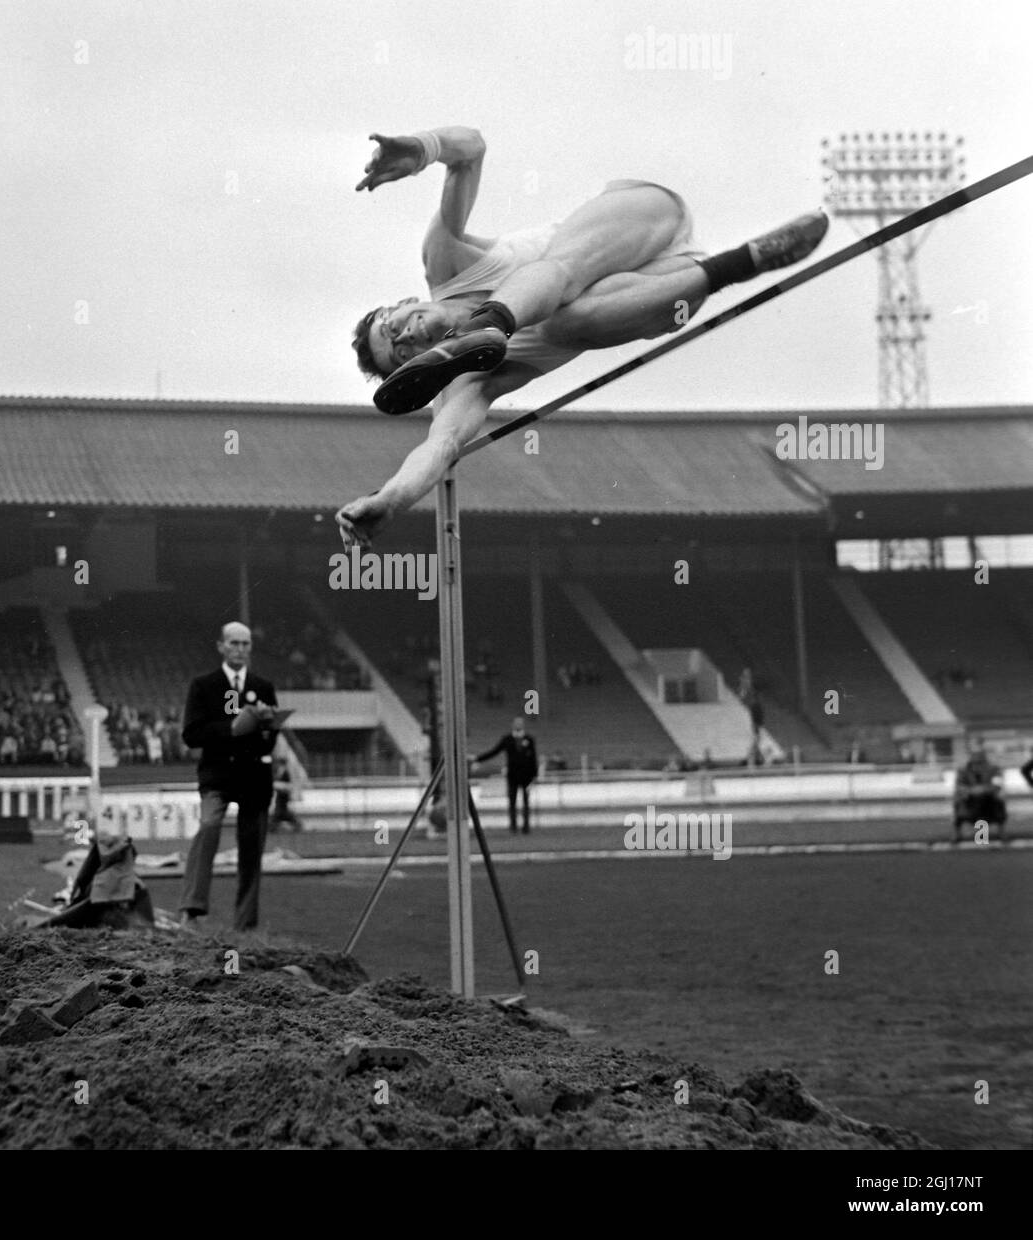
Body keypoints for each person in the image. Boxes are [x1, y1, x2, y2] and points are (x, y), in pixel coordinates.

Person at [336, 125, 829, 548]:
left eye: (391, 324)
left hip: (637, 218)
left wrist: (420, 149)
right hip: (664, 287)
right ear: (416, 367)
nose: (404, 336)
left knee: (560, 276)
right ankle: (747, 260)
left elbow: (472, 148)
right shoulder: (465, 384)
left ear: (401, 302)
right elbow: (439, 447)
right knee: (565, 325)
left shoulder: (443, 260)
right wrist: (390, 500)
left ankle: (496, 320)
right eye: (401, 352)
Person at [179, 621, 282, 930]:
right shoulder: (203, 685)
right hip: (217, 776)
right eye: (234, 643)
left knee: (252, 848)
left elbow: (270, 740)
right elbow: (191, 734)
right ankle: (191, 910)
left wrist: (264, 723)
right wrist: (232, 728)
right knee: (208, 826)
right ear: (221, 646)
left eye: (245, 644)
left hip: (254, 779)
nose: (240, 649)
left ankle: (245, 923)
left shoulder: (263, 687)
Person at [473, 717, 539, 834]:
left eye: (520, 723)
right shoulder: (507, 739)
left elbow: (533, 758)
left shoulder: (529, 739)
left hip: (526, 777)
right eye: (516, 723)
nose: (518, 725)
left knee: (526, 802)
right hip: (512, 776)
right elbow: (494, 751)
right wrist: (477, 759)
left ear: (523, 725)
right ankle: (513, 827)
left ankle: (526, 827)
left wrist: (534, 775)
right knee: (512, 802)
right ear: (512, 725)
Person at [270, 758, 303, 832]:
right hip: (281, 801)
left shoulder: (285, 773)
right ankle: (272, 827)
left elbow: (288, 786)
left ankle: (271, 827)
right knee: (282, 815)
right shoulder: (280, 772)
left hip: (283, 800)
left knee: (280, 814)